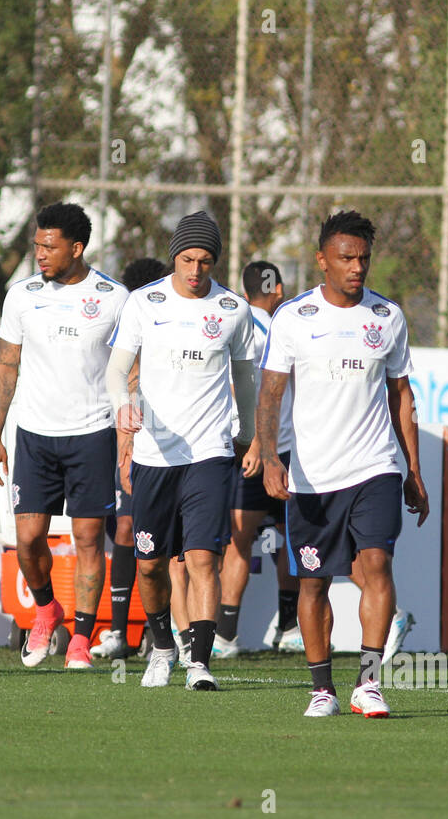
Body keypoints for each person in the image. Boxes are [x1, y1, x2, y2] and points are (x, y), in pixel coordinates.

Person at [257, 210, 429, 718]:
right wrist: (269, 457)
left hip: (374, 466)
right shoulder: (293, 318)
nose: (357, 267)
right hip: (313, 475)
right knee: (313, 582)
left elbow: (402, 395)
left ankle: (369, 684)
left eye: (364, 258)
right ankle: (322, 689)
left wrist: (412, 469)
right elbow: (269, 395)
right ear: (322, 261)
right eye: (346, 258)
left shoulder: (387, 317)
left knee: (376, 564)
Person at [106, 211, 257, 691]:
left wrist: (249, 435)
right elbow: (116, 369)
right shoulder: (142, 302)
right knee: (150, 564)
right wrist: (123, 406)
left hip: (210, 452)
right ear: (175, 256)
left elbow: (246, 378)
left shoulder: (233, 308)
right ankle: (163, 650)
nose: (196, 270)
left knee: (202, 560)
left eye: (206, 261)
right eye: (188, 259)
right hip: (154, 456)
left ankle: (200, 663)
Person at [0, 202, 129, 671]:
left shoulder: (114, 297)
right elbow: (6, 365)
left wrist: (128, 431)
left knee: (89, 539)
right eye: (37, 245)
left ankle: (81, 639)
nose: (40, 254)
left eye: (50, 246)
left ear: (77, 247)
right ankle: (46, 609)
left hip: (92, 434)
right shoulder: (20, 296)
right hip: (34, 434)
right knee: (28, 537)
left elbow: (130, 372)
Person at [216, 259, 300, 659]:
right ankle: (287, 627)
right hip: (272, 449)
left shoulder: (235, 318)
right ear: (276, 289)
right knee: (280, 539)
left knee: (241, 540)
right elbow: (244, 385)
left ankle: (229, 635)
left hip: (249, 446)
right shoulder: (272, 326)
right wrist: (256, 444)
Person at [92, 257, 167, 661]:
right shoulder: (127, 319)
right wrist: (126, 445)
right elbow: (122, 378)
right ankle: (118, 631)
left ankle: (164, 634)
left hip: (178, 444)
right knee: (124, 527)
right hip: (125, 434)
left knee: (175, 541)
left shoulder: (177, 319)